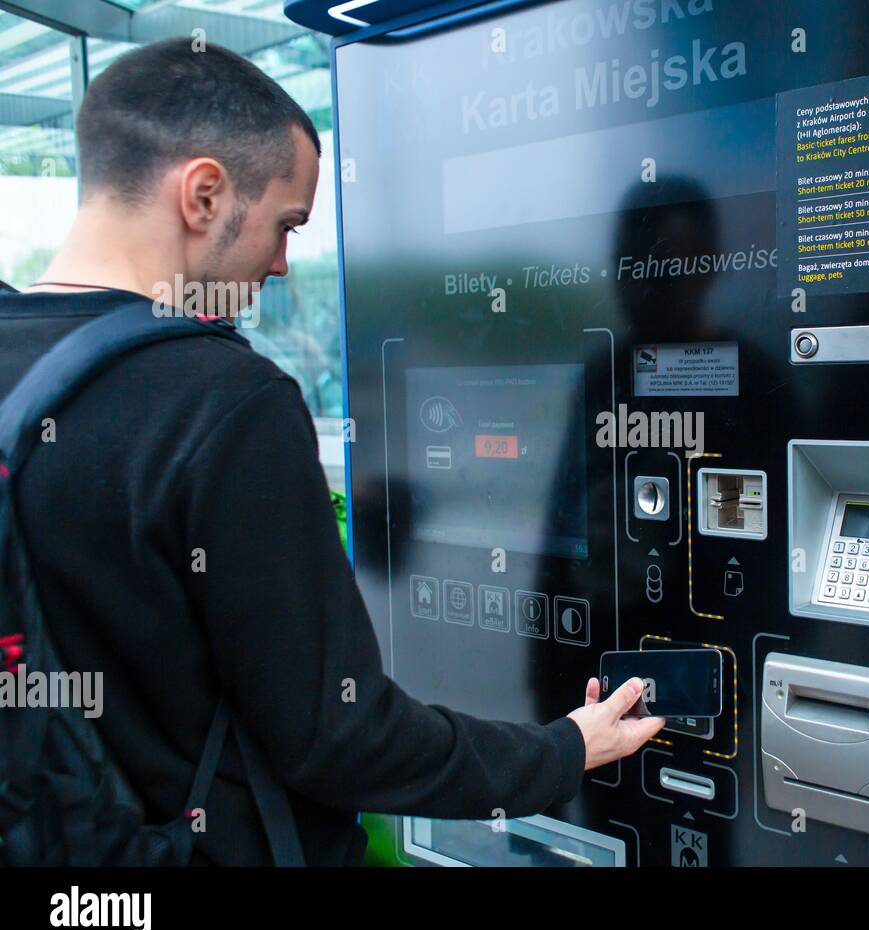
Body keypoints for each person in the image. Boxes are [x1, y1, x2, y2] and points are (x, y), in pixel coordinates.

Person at [0, 39, 661, 865]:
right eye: (285, 225)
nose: (282, 263)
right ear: (204, 194)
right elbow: (339, 736)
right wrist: (564, 750)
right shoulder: (223, 399)